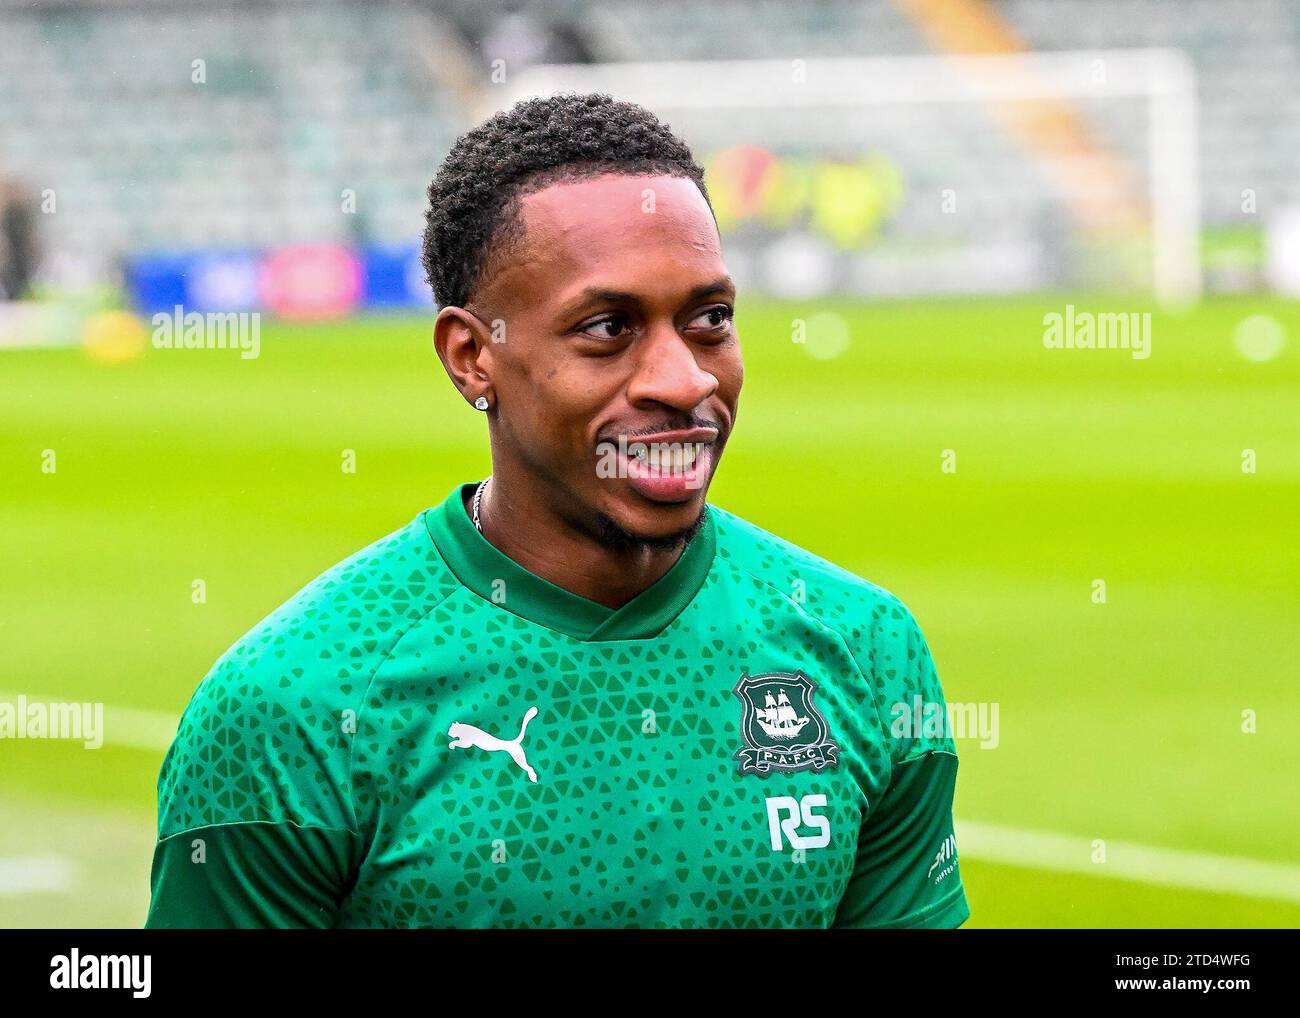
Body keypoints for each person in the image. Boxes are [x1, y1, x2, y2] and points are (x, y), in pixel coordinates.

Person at [146, 93, 969, 928]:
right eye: (608, 328)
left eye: (710, 320)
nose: (685, 380)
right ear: (473, 358)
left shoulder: (865, 649)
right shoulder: (294, 704)